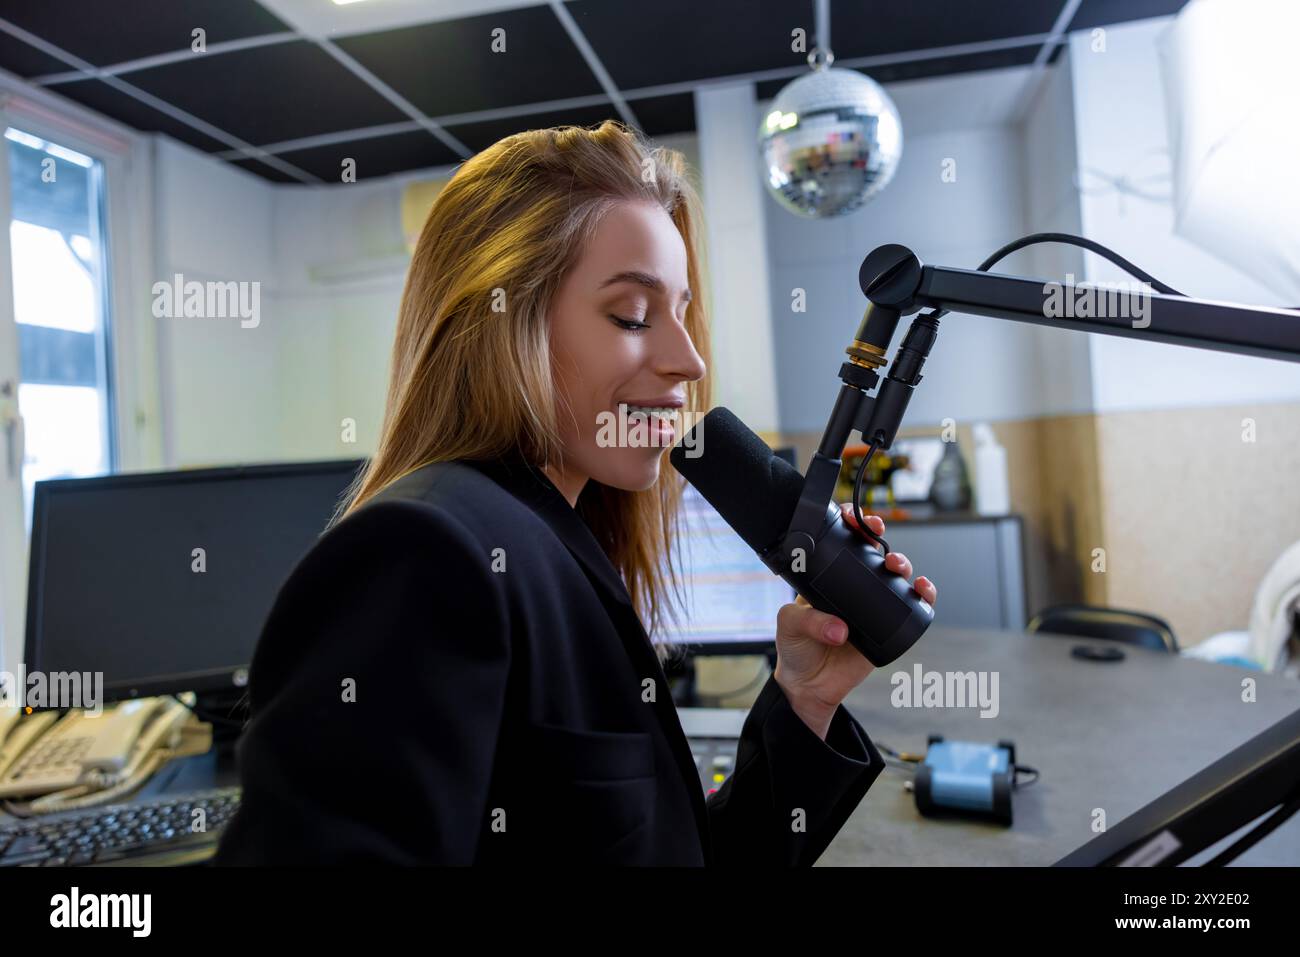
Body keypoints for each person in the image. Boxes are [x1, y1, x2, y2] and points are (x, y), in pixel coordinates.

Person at [214, 120, 936, 866]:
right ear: (503, 323)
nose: (688, 360)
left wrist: (802, 701)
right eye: (631, 314)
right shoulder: (419, 556)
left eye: (683, 312)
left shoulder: (561, 536)